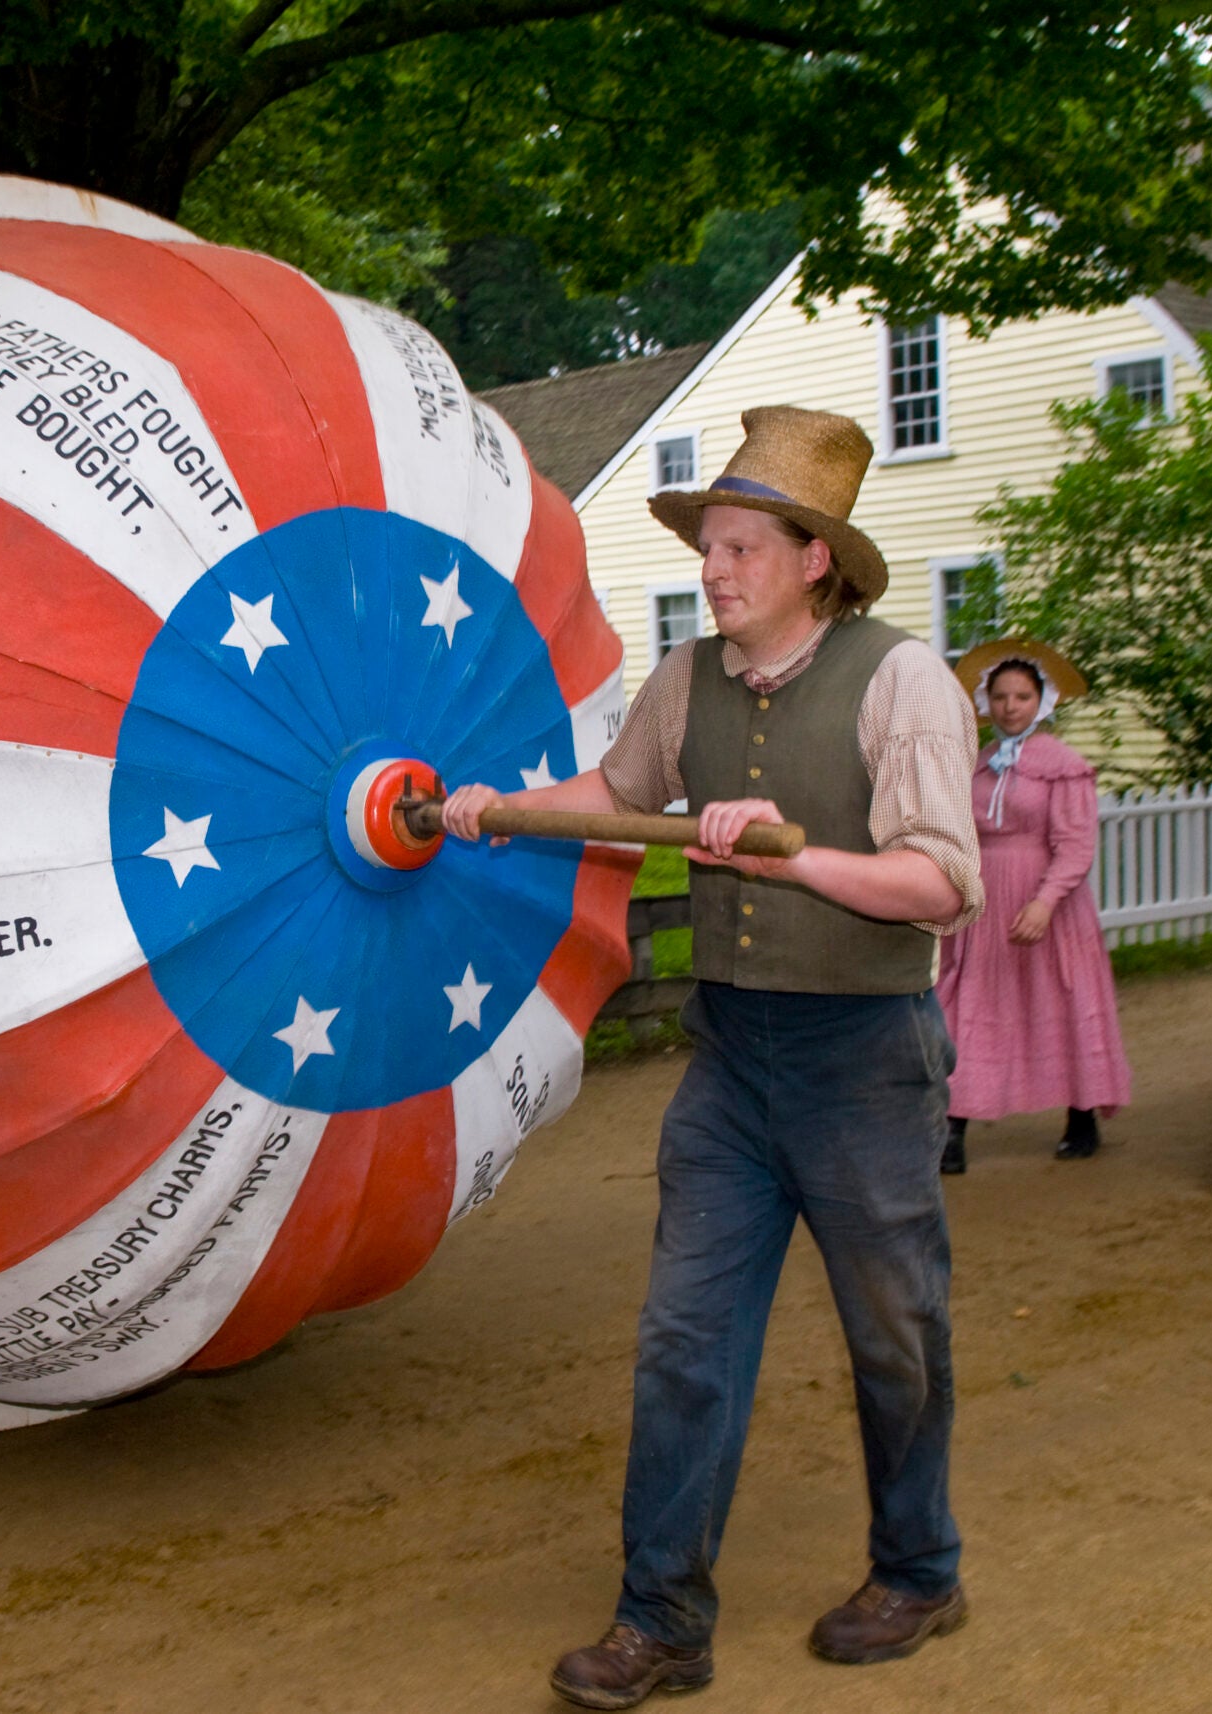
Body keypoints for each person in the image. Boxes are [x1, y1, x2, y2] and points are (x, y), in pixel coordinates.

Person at [442, 407, 982, 1705]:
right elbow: (610, 792)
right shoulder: (686, 682)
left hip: (865, 1057)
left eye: (743, 546)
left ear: (814, 560)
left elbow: (941, 883)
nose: (715, 567)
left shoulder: (901, 680)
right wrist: (484, 808)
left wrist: (791, 846)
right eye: (710, 544)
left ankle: (919, 1566)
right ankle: (661, 1618)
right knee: (687, 1339)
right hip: (732, 1061)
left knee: (894, 1334)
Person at [934, 639, 1130, 1172]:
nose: (1009, 706)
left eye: (1022, 696)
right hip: (984, 901)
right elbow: (960, 835)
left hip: (1050, 903)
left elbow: (1076, 844)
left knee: (1060, 1001)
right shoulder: (976, 765)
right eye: (1000, 696)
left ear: (1041, 703)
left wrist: (1045, 903)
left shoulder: (1063, 766)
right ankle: (952, 1129)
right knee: (965, 1010)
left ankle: (1082, 1114)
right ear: (986, 702)